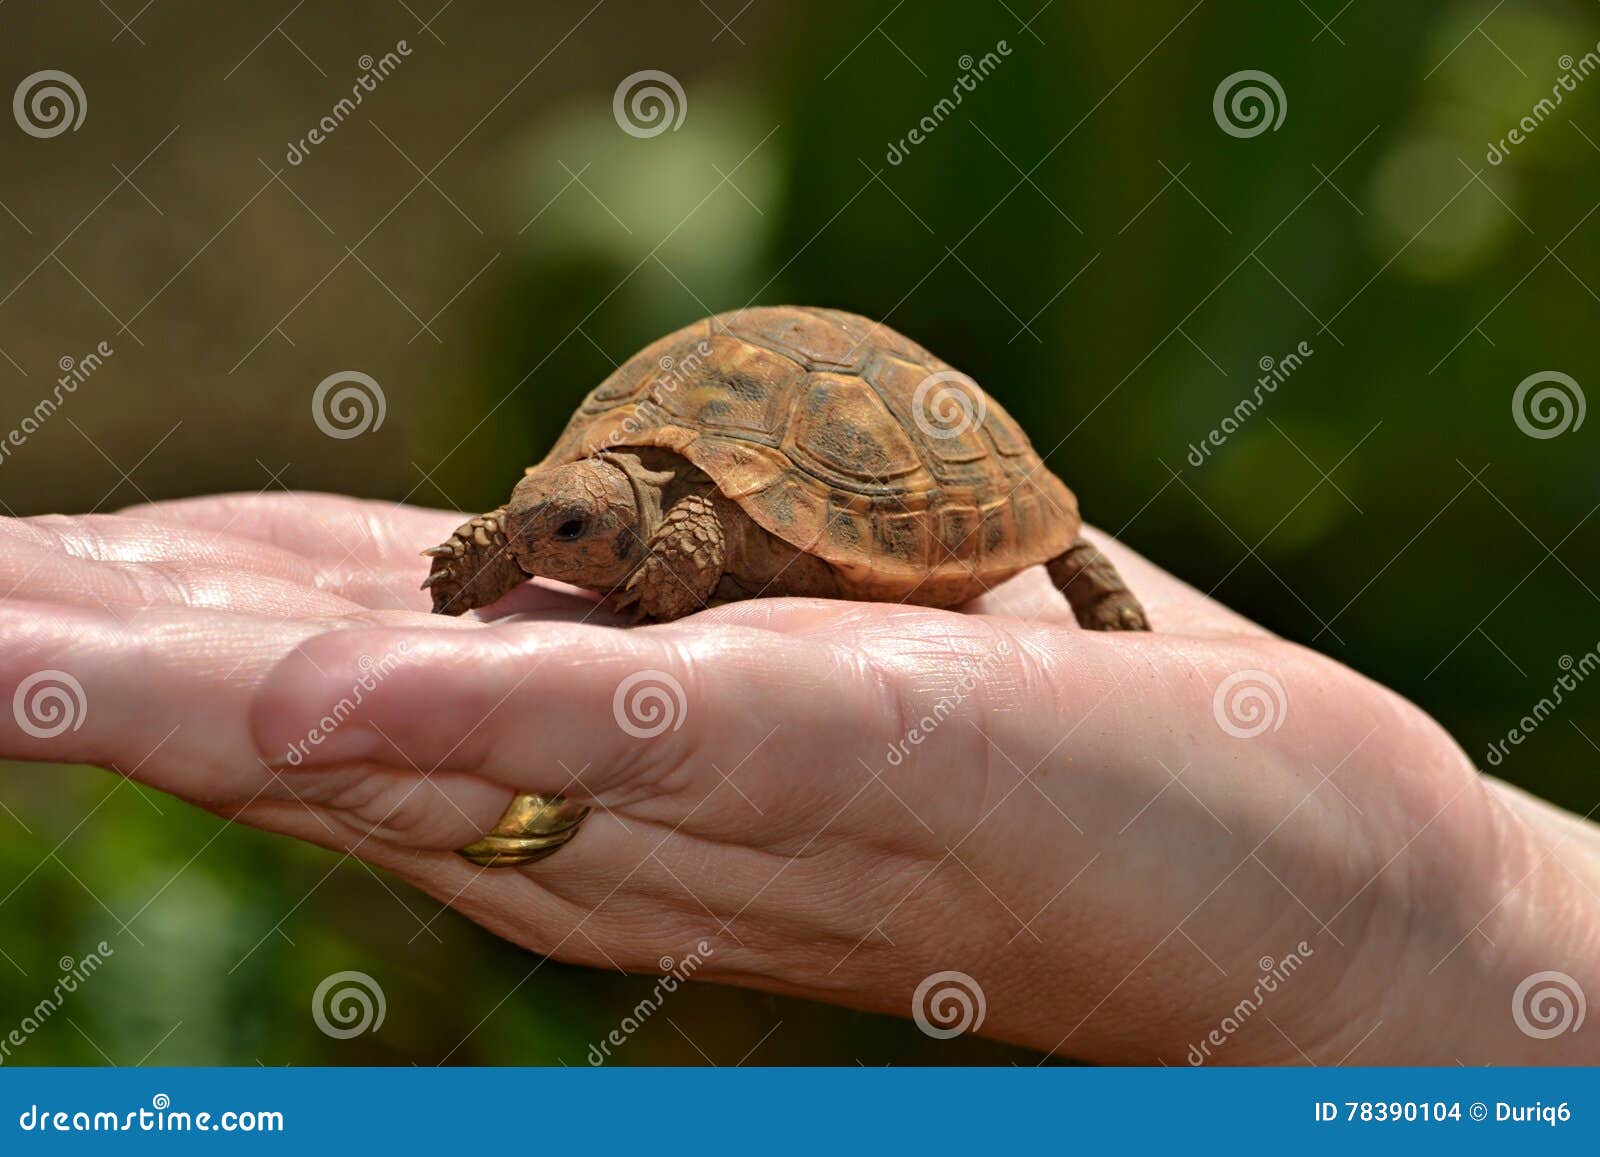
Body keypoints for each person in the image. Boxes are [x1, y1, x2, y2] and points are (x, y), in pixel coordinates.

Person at [1, 492, 1595, 1064]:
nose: (560, 551)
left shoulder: (705, 538)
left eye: (575, 535)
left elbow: (699, 530)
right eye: (552, 531)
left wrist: (1463, 931)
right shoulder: (601, 518)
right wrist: (1476, 947)